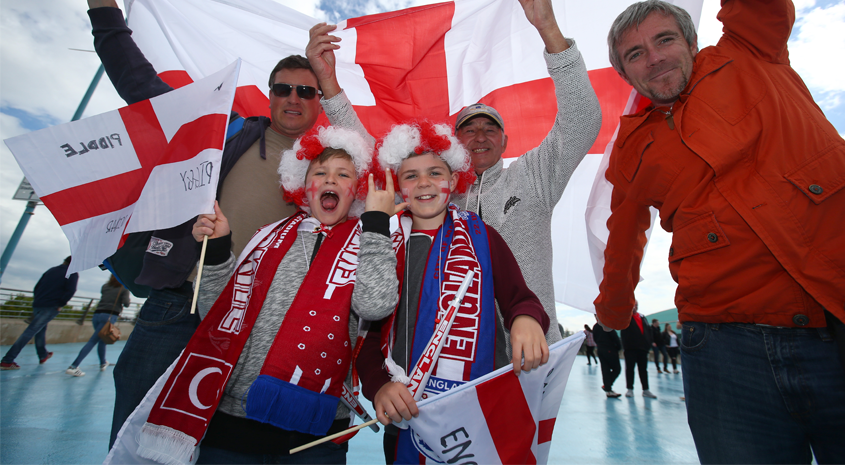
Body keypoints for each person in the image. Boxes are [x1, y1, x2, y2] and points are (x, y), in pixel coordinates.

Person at [595, 0, 845, 462]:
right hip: (724, 349)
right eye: (634, 54)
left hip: (834, 311)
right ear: (627, 78)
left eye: (664, 39)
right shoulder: (631, 148)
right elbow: (623, 236)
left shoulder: (751, 50)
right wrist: (613, 311)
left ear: (692, 41)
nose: (653, 58)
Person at [86, 0, 333, 446]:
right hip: (181, 303)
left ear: (320, 101)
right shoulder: (224, 133)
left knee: (219, 442)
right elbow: (140, 85)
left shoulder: (332, 170)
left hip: (254, 323)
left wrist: (329, 76)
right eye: (283, 88)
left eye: (307, 91)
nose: (294, 98)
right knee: (135, 433)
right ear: (270, 93)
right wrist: (104, 11)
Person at [307, 0, 602, 348]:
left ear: (505, 141)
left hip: (528, 355)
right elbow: (369, 154)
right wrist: (329, 84)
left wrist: (548, 30)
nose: (479, 136)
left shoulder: (533, 177)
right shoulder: (431, 192)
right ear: (454, 146)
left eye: (489, 129)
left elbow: (582, 122)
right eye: (469, 130)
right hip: (445, 357)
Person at [132, 126, 399, 464]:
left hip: (318, 432)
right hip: (235, 423)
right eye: (320, 172)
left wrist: (376, 225)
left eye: (343, 174)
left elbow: (374, 306)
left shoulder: (369, 242)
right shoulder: (266, 238)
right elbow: (218, 314)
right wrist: (215, 251)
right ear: (304, 185)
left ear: (356, 189)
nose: (330, 179)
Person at [354, 121, 550, 464]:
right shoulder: (386, 247)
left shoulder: (484, 237)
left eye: (435, 172)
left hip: (483, 415)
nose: (425, 182)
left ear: (454, 180)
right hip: (407, 416)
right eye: (411, 176)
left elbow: (520, 298)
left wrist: (525, 320)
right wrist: (377, 385)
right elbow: (366, 337)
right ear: (397, 188)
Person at [1, 256, 78, 370]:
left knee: (40, 330)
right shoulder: (72, 273)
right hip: (51, 306)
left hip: (38, 304)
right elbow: (71, 290)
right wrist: (60, 304)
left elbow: (36, 287)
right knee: (30, 331)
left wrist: (38, 299)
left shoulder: (51, 270)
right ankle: (7, 360)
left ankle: (43, 355)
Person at [65, 275, 130, 377]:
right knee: (93, 341)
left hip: (97, 315)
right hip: (109, 316)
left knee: (102, 339)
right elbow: (126, 303)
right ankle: (74, 366)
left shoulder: (105, 286)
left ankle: (103, 362)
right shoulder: (124, 288)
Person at [619, 308, 656, 399]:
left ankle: (646, 390)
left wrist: (648, 343)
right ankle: (630, 389)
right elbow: (623, 332)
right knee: (630, 369)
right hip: (630, 349)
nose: (634, 307)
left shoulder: (642, 317)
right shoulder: (626, 318)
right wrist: (626, 346)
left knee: (643, 369)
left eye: (636, 305)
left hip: (643, 349)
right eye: (632, 305)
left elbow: (648, 330)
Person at [593, 321, 622, 398]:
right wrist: (618, 347)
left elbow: (594, 338)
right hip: (610, 349)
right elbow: (614, 336)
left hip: (600, 349)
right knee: (617, 369)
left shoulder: (595, 326)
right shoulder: (607, 324)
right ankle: (607, 386)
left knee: (605, 369)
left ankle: (608, 390)